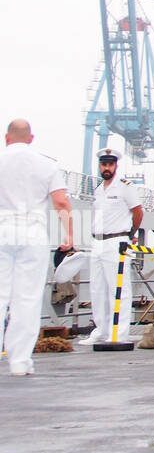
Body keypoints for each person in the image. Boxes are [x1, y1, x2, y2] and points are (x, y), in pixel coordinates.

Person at [0, 118, 72, 376]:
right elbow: (61, 202)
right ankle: (19, 362)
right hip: (32, 232)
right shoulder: (47, 165)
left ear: (6, 138)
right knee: (27, 298)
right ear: (31, 139)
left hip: (3, 228)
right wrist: (68, 235)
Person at [80, 146, 143, 346]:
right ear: (100, 166)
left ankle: (119, 333)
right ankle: (101, 331)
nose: (106, 167)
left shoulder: (125, 186)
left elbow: (138, 211)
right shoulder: (99, 190)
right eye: (103, 164)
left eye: (110, 164)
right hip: (97, 242)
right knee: (97, 289)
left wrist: (130, 234)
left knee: (118, 289)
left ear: (116, 165)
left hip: (117, 241)